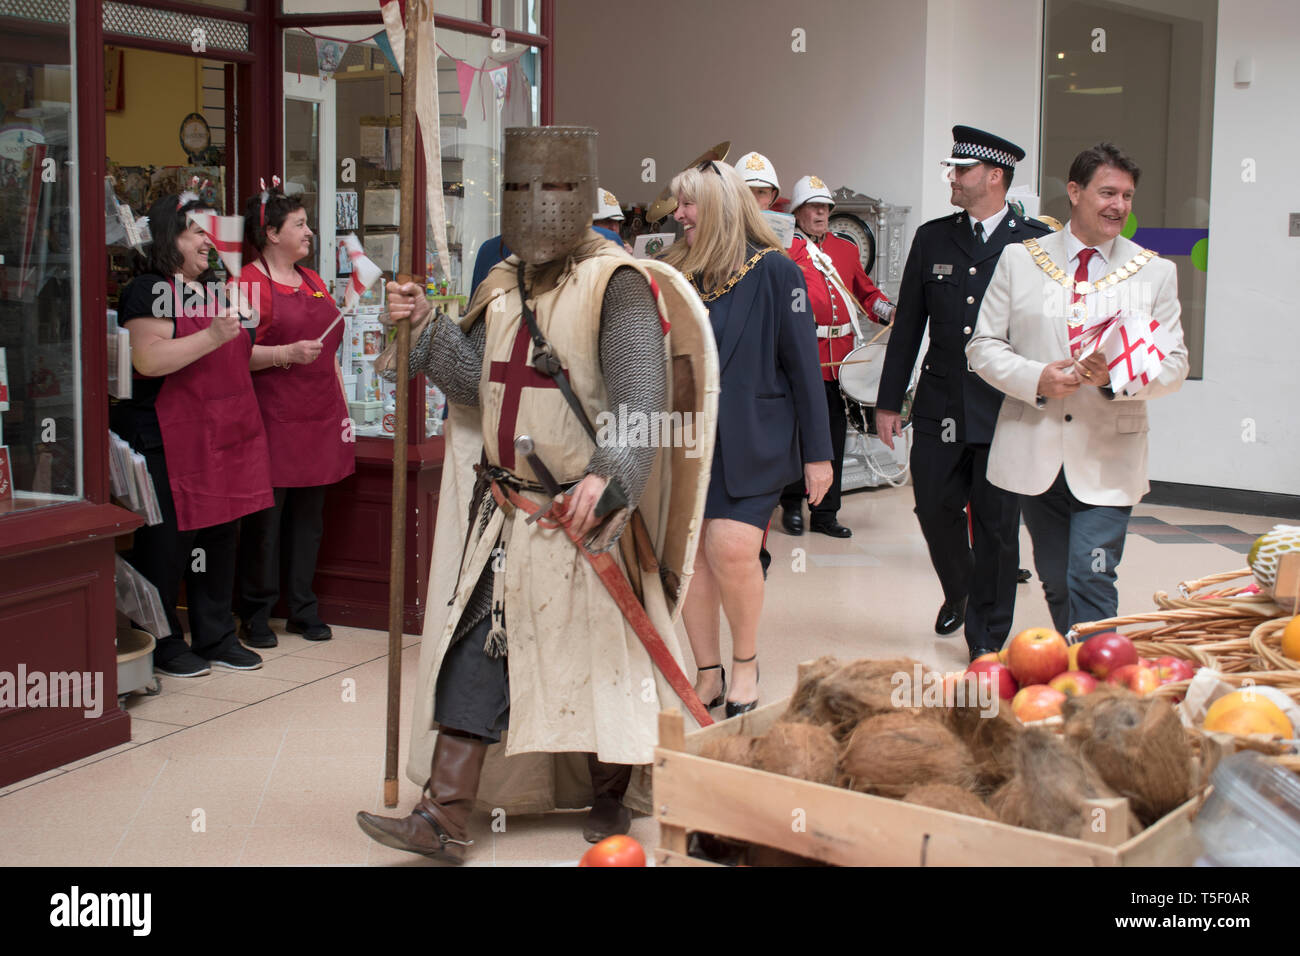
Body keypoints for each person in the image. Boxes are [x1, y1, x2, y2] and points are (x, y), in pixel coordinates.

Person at [355, 126, 713, 861]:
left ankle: (612, 794)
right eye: (520, 189)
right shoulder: (502, 283)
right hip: (508, 512)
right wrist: (424, 326)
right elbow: (478, 385)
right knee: (476, 652)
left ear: (578, 193)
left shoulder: (617, 284)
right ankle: (444, 816)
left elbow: (641, 402)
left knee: (599, 660)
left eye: (550, 188)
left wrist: (610, 476)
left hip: (582, 517)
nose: (536, 204)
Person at [967, 142, 1188, 634]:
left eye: (1127, 196)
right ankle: (1078, 666)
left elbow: (1174, 366)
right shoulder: (1019, 261)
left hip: (1109, 456)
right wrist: (1037, 378)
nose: (1119, 206)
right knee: (1056, 580)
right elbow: (982, 346)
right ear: (1074, 191)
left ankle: (1097, 675)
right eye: (1107, 193)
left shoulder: (1154, 272)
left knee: (1091, 575)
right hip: (1035, 448)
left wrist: (1116, 377)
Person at [663, 161, 832, 716]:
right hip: (687, 441)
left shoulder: (776, 271)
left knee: (731, 547)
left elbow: (804, 367)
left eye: (688, 203)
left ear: (718, 206)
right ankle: (706, 670)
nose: (678, 214)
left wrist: (818, 455)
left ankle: (744, 664)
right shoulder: (674, 271)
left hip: (756, 437)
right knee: (692, 558)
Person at [877, 126, 1052, 658]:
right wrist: (889, 400)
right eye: (952, 168)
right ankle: (961, 589)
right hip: (940, 402)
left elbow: (1048, 328)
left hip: (1004, 408)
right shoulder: (933, 237)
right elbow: (909, 324)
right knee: (933, 507)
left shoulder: (1035, 242)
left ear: (994, 176)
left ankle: (987, 640)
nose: (952, 177)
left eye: (961, 169)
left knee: (997, 527)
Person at [109, 192, 272, 677]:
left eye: (211, 232)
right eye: (198, 232)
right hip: (169, 437)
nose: (209, 241)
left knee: (218, 540)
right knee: (169, 546)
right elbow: (148, 359)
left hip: (222, 434)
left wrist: (282, 353)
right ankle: (161, 641)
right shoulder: (147, 290)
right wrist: (212, 335)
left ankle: (216, 634)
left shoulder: (215, 290)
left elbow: (238, 352)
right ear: (169, 237)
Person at [235, 187, 355, 647]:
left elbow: (331, 351)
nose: (309, 232)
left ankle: (303, 608)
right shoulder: (247, 283)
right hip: (271, 418)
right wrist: (285, 353)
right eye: (299, 225)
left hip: (319, 415)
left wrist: (342, 407)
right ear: (271, 233)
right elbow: (233, 354)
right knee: (265, 524)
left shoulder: (313, 280)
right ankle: (257, 612)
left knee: (309, 520)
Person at [780, 175, 894, 538]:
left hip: (839, 360)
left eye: (825, 208)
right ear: (797, 212)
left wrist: (890, 312)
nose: (821, 214)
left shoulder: (845, 249)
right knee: (796, 435)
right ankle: (791, 504)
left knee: (831, 436)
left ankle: (825, 513)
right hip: (801, 355)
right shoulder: (785, 249)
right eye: (813, 207)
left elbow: (866, 293)